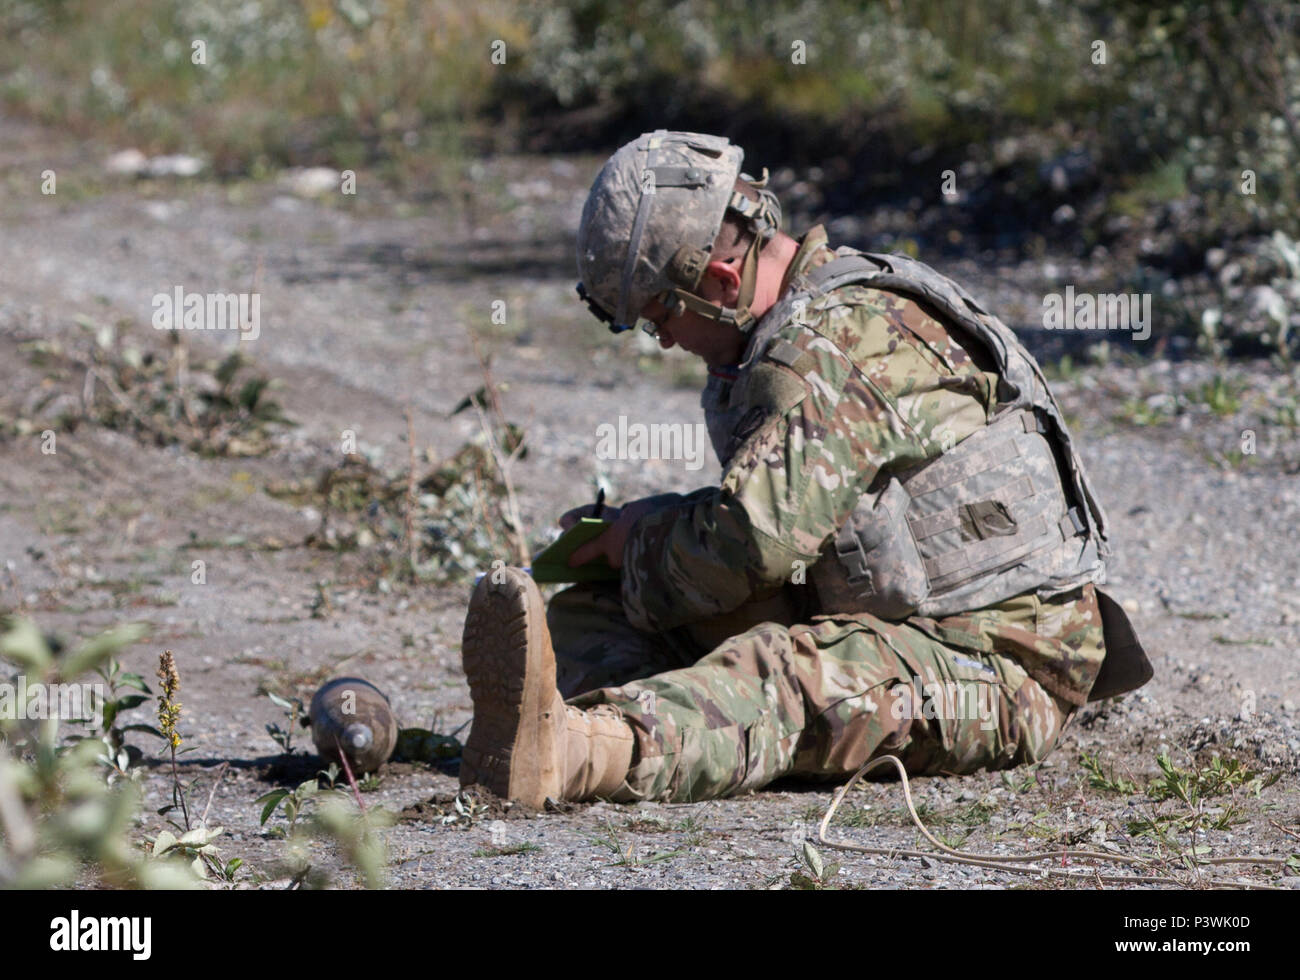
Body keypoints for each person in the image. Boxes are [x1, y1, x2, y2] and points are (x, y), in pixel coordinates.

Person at [458, 130, 1151, 807]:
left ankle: (582, 753)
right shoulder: (803, 321)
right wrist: (630, 542)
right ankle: (623, 723)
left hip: (1003, 663)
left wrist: (637, 541)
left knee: (784, 681)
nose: (663, 340)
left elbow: (751, 544)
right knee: (599, 608)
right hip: (893, 620)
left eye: (659, 315)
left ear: (721, 280)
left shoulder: (828, 344)